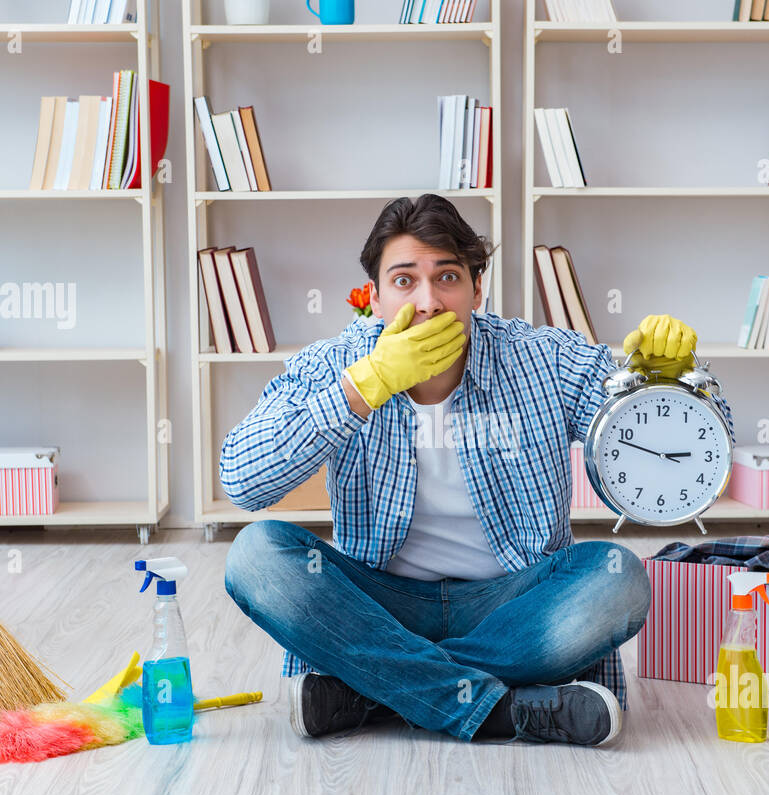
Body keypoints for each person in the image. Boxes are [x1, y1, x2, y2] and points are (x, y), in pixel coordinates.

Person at [222, 193, 719, 747]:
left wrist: (675, 384)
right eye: (405, 281)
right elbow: (243, 479)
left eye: (448, 277)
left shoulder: (543, 358)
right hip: (380, 606)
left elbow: (684, 460)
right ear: (376, 297)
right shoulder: (336, 363)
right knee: (255, 556)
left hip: (513, 606)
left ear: (477, 289)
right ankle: (506, 710)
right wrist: (368, 387)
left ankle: (374, 691)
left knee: (617, 577)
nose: (429, 302)